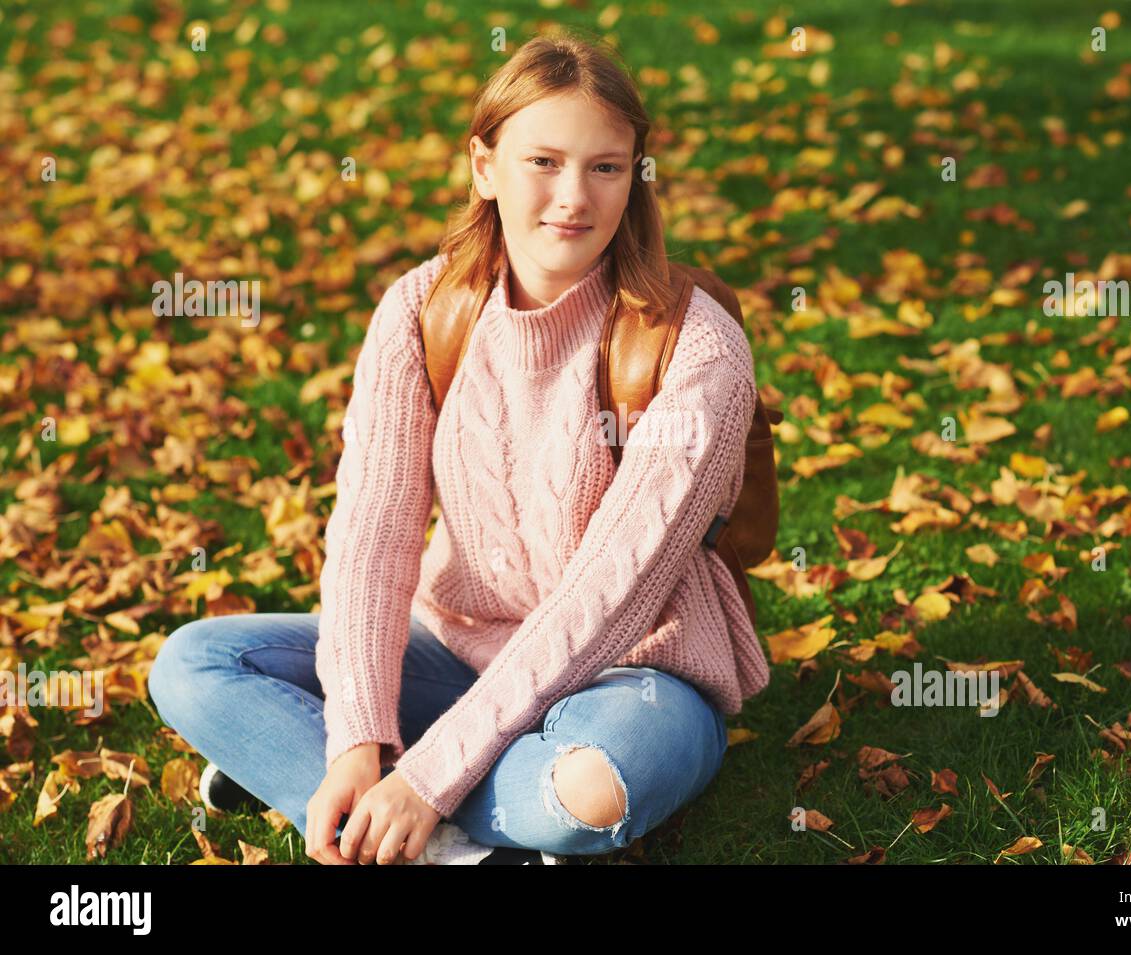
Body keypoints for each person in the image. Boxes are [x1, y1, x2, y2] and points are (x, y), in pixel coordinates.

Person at [148, 28, 770, 866]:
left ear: (637, 173)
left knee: (590, 792)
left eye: (605, 167)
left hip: (632, 674)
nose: (573, 197)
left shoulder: (697, 346)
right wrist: (357, 738)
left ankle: (323, 791)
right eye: (542, 162)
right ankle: (448, 844)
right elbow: (373, 540)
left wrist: (429, 774)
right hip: (457, 651)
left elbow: (613, 595)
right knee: (194, 663)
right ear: (484, 166)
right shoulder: (419, 312)